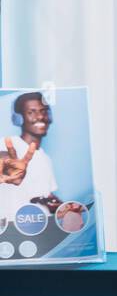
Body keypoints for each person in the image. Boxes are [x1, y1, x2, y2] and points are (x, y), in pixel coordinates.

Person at [0, 92, 61, 224]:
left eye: (43, 111)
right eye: (31, 112)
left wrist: (62, 207)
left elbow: (46, 195)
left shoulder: (45, 158)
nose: (40, 116)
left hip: (41, 229)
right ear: (18, 119)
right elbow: (3, 158)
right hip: (13, 228)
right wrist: (7, 167)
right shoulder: (7, 144)